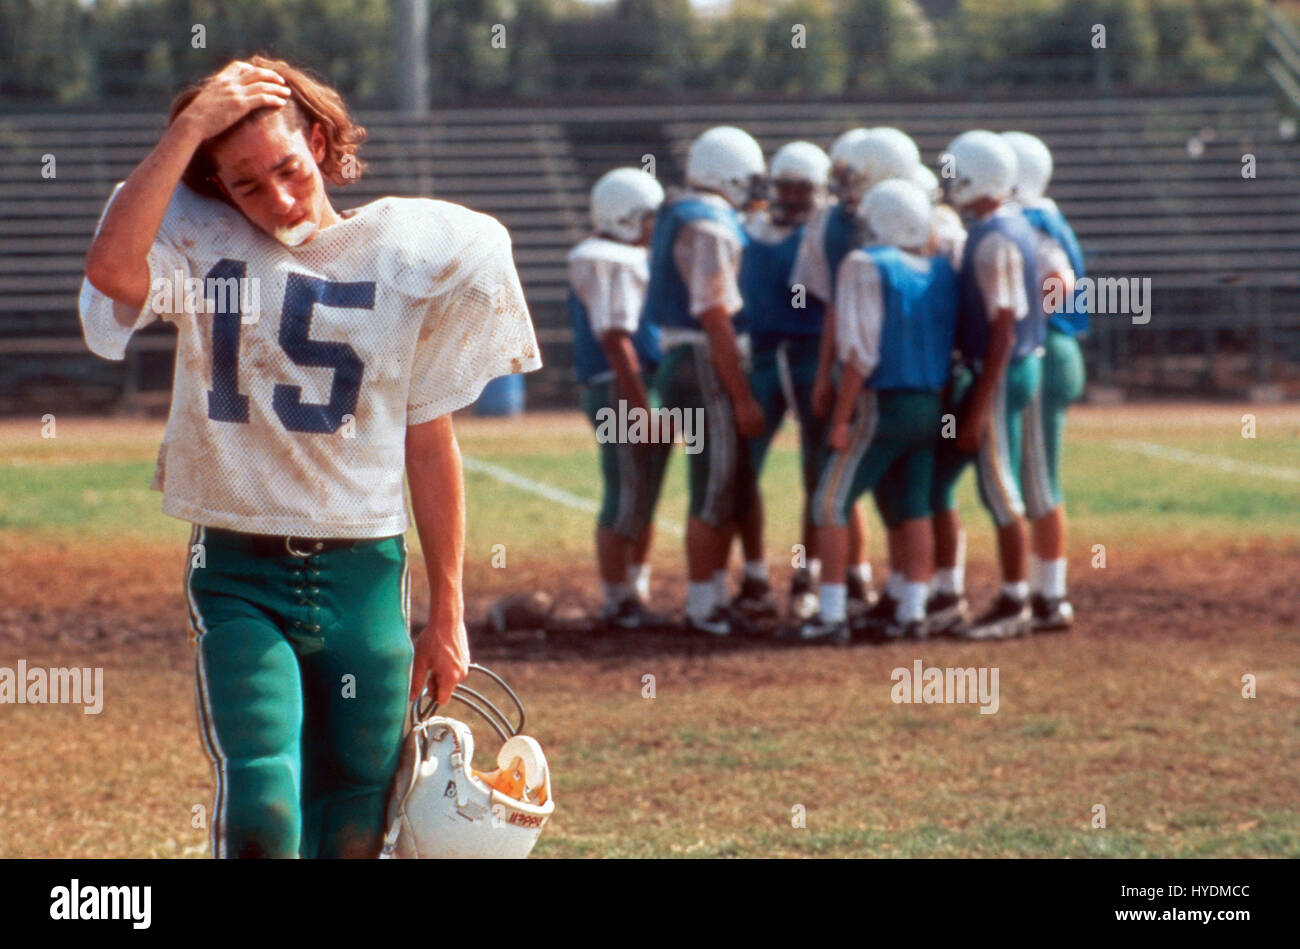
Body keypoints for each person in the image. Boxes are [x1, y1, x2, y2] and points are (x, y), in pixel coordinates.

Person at [77, 57, 539, 857]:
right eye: (246, 185)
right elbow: (113, 267)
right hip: (239, 570)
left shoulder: (401, 251)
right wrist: (188, 128)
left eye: (288, 168)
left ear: (320, 142)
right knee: (263, 801)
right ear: (217, 188)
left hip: (365, 573)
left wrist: (450, 610)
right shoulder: (200, 248)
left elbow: (428, 442)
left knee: (357, 815)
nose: (279, 200)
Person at [794, 179, 957, 644]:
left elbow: (861, 353)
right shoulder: (939, 268)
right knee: (914, 509)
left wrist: (842, 415)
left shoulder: (865, 264)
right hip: (929, 402)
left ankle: (831, 616)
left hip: (880, 402)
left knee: (828, 503)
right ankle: (912, 612)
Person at [643, 125, 765, 637]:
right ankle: (701, 605)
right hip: (702, 361)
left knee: (717, 482)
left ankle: (711, 597)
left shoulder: (681, 210)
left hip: (683, 359)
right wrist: (741, 396)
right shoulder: (710, 224)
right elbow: (714, 314)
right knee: (714, 488)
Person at [934, 130, 1044, 640]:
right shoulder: (1002, 225)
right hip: (999, 368)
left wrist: (976, 409)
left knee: (1000, 488)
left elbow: (1003, 328)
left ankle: (1016, 600)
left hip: (998, 370)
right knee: (953, 481)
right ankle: (945, 590)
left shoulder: (997, 236)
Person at [731, 140, 832, 622]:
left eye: (800, 187)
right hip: (765, 356)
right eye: (784, 186)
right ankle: (753, 574)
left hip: (811, 354)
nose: (789, 196)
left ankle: (812, 572)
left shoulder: (825, 228)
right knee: (742, 467)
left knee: (820, 472)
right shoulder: (750, 228)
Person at [567, 167, 669, 629]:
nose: (655, 227)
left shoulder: (622, 255)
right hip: (620, 385)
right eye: (649, 218)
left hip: (639, 382)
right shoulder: (605, 257)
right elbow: (615, 338)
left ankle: (635, 587)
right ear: (626, 217)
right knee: (626, 491)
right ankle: (616, 599)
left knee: (644, 492)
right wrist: (642, 408)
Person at [1002, 131, 1087, 632]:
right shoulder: (1045, 214)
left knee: (1039, 482)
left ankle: (1051, 596)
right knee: (1033, 478)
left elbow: (1059, 285)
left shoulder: (1032, 220)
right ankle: (1043, 591)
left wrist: (1025, 324)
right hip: (1055, 348)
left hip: (1046, 349)